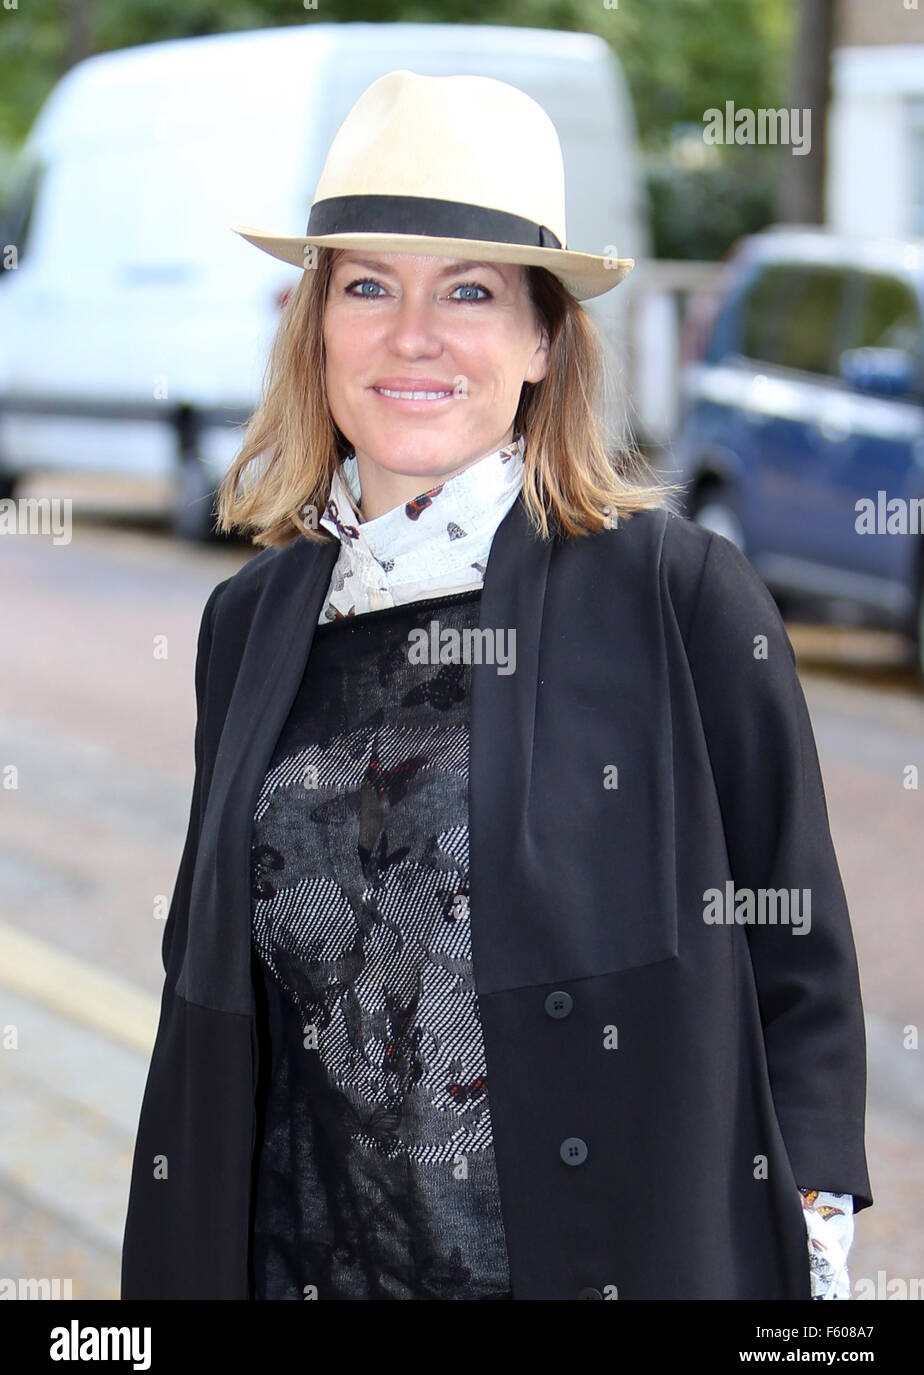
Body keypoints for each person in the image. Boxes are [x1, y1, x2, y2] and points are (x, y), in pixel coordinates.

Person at [121, 69, 871, 1301]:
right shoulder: (247, 622)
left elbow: (797, 956)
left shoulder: (679, 598)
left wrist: (814, 1244)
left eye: (468, 291)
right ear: (318, 328)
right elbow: (211, 996)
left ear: (539, 338)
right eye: (368, 286)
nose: (412, 335)